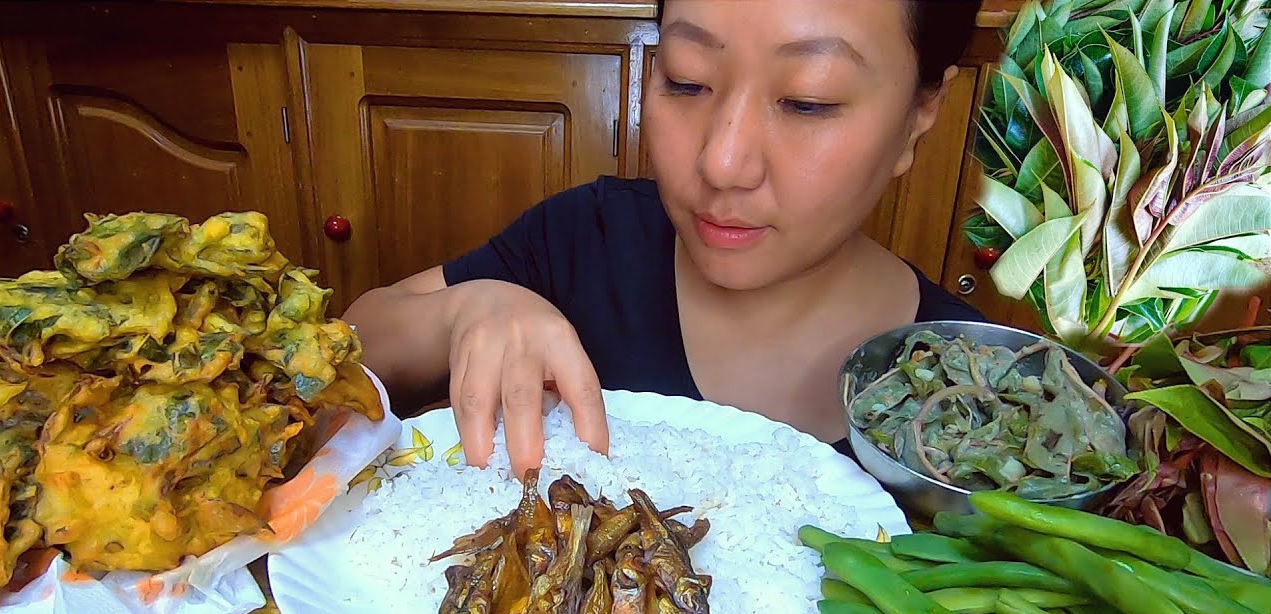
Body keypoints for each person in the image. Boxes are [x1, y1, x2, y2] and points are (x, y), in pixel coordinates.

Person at [345, 0, 987, 480]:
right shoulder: (582, 242)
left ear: (921, 111)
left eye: (807, 102)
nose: (722, 163)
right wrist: (468, 307)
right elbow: (354, 342)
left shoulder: (994, 397)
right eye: (686, 80)